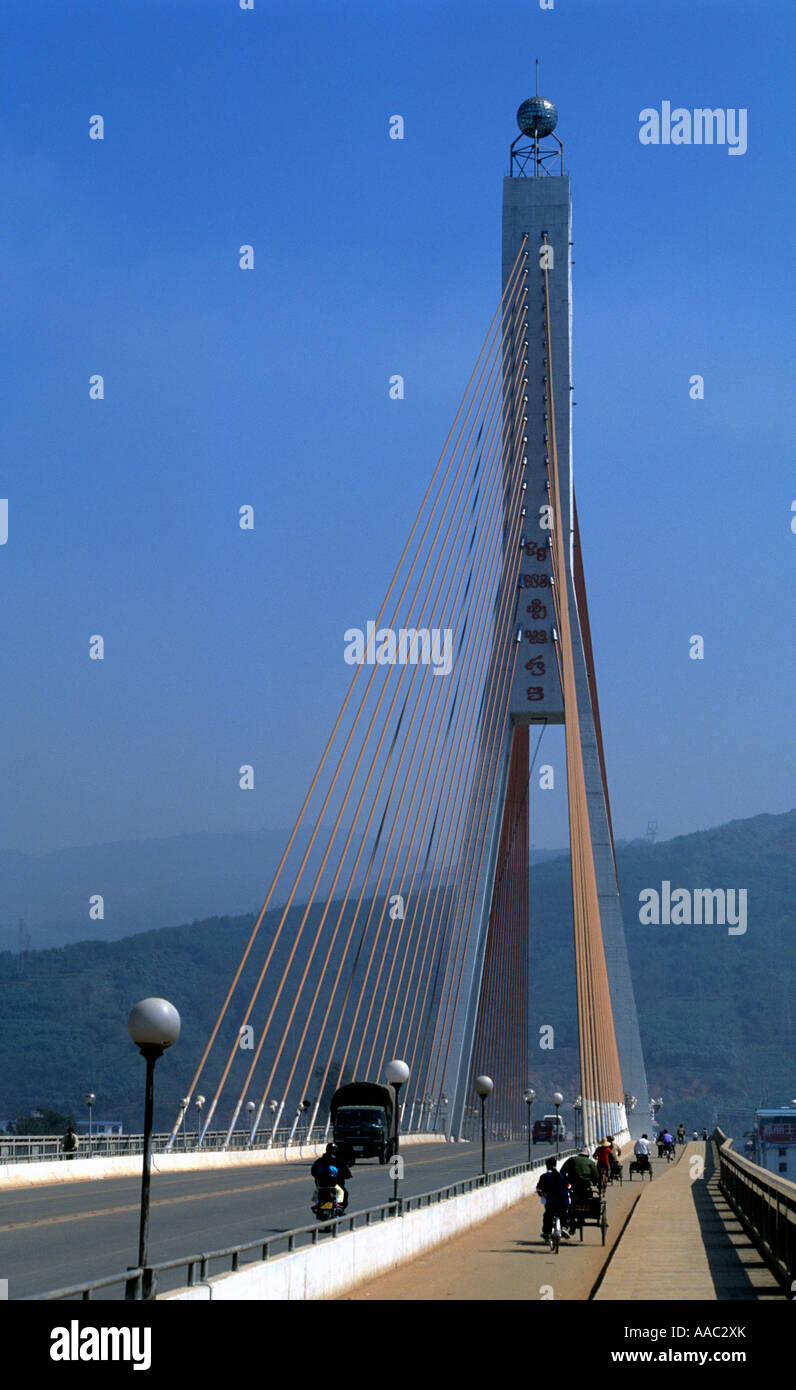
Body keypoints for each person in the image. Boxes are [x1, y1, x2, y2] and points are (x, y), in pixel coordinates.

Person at [536, 1157, 571, 1242]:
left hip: (551, 1202)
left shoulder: (544, 1177)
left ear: (547, 1166)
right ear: (555, 1165)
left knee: (547, 1215)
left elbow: (539, 1189)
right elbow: (569, 1186)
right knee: (564, 1214)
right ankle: (564, 1228)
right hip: (563, 1202)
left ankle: (546, 1232)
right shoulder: (561, 1176)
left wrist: (542, 1194)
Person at [311, 1143, 351, 1212]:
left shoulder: (319, 1161)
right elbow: (345, 1172)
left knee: (317, 1191)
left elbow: (313, 1171)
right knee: (343, 1192)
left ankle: (317, 1204)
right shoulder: (337, 1161)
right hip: (333, 1185)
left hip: (321, 1185)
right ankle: (339, 1204)